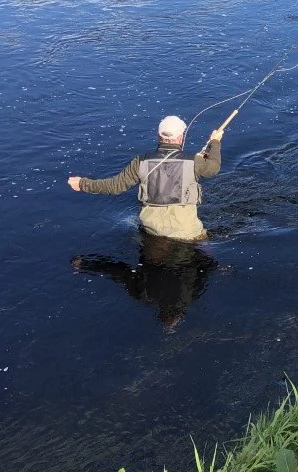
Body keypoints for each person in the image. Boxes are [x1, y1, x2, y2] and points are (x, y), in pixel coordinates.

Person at [68, 115, 223, 242]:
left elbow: (114, 186)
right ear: (181, 137)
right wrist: (215, 142)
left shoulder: (140, 162)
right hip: (186, 233)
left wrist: (82, 183)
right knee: (206, 254)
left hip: (151, 231)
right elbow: (213, 168)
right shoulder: (195, 162)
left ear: (158, 136)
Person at [72, 230, 219, 328]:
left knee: (202, 249)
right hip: (157, 244)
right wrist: (86, 264)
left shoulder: (189, 296)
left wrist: (216, 266)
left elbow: (117, 271)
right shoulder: (145, 295)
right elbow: (117, 272)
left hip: (170, 244)